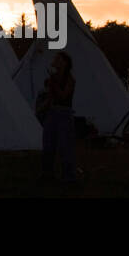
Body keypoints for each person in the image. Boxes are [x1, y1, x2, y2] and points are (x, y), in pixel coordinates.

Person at [39, 52, 77, 182]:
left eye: (58, 59)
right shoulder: (52, 78)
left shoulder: (70, 80)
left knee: (65, 147)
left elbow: (63, 96)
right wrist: (41, 109)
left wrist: (53, 83)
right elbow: (51, 98)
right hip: (52, 113)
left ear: (64, 63)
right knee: (48, 145)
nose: (54, 60)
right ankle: (47, 174)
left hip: (64, 114)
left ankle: (68, 176)